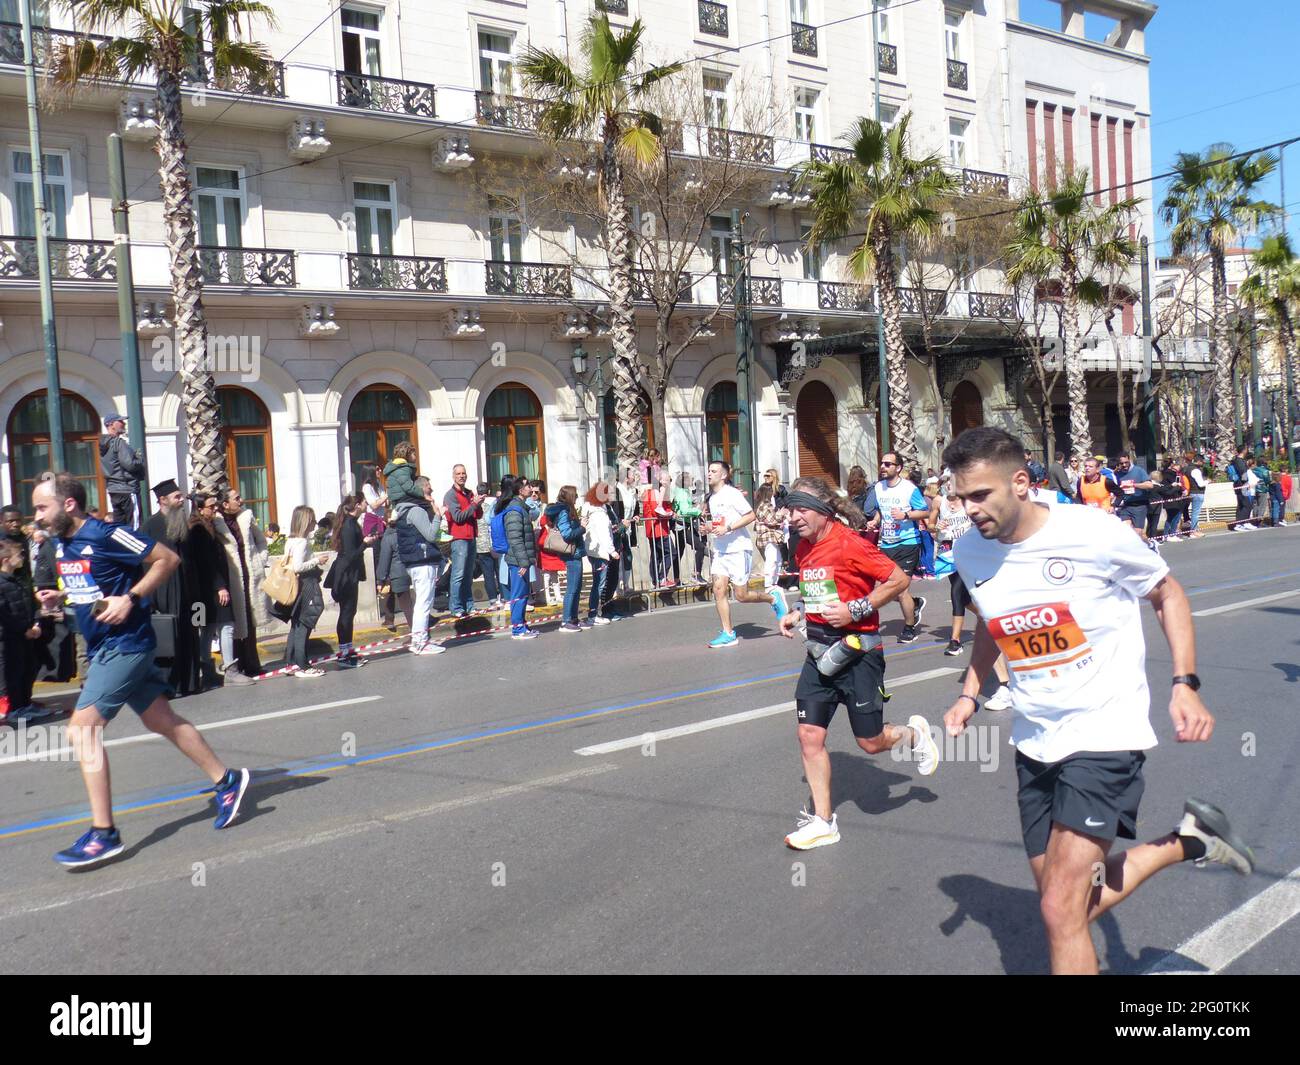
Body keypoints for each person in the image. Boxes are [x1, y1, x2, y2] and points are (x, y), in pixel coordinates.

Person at [940, 426, 1255, 975]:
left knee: (1060, 909)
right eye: (960, 497)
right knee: (1067, 905)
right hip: (1035, 739)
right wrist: (971, 691)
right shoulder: (970, 550)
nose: (968, 509)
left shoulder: (1093, 532)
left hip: (1105, 732)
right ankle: (1190, 841)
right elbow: (993, 621)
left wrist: (1185, 683)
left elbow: (1166, 592)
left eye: (979, 495)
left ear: (1020, 481)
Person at [32, 473, 252, 868]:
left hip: (126, 646)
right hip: (103, 647)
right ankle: (228, 780)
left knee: (82, 728)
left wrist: (131, 598)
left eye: (41, 507)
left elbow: (167, 559)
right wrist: (59, 598)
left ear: (68, 504)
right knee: (162, 720)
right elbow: (93, 588)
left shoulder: (105, 534)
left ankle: (104, 834)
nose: (37, 517)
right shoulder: (63, 544)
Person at [777, 476, 939, 850]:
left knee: (870, 742)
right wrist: (799, 614)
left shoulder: (848, 543)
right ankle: (823, 822)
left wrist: (857, 608)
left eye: (801, 510)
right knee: (809, 735)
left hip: (858, 653)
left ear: (822, 511)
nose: (794, 517)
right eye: (791, 510)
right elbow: (817, 592)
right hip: (818, 654)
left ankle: (914, 735)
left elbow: (898, 579)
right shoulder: (803, 548)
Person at [704, 460, 785, 648]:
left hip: (738, 549)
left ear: (723, 475)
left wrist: (729, 528)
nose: (709, 474)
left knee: (741, 595)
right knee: (719, 589)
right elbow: (720, 523)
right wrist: (709, 527)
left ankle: (773, 598)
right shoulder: (712, 498)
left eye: (713, 471)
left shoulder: (732, 494)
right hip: (721, 550)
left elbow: (750, 515)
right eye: (708, 471)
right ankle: (728, 633)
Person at [140, 480, 204, 696]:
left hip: (188, 592)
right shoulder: (150, 526)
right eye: (177, 497)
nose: (181, 500)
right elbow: (143, 564)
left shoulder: (182, 523)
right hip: (163, 592)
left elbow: (191, 559)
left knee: (190, 634)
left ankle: (191, 682)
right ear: (163, 500)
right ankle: (168, 686)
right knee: (168, 639)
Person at [187, 494, 254, 687]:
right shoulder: (199, 530)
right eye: (211, 507)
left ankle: (206, 671)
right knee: (226, 625)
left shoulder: (200, 526)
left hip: (200, 591)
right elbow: (208, 562)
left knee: (206, 629)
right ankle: (230, 670)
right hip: (211, 590)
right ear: (200, 509)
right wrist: (221, 587)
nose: (215, 510)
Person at [865, 452, 928, 643]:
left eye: (888, 464)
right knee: (882, 588)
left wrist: (906, 516)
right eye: (882, 463)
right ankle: (914, 603)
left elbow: (924, 511)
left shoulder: (909, 489)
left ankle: (909, 628)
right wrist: (875, 521)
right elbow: (881, 512)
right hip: (887, 543)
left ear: (898, 468)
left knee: (900, 590)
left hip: (908, 543)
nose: (883, 467)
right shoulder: (878, 487)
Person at [214, 488, 268, 678]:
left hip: (250, 575)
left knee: (250, 621)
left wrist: (260, 560)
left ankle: (253, 664)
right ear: (225, 504)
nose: (241, 500)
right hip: (231, 579)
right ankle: (237, 664)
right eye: (236, 498)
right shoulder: (216, 522)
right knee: (235, 623)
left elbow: (261, 541)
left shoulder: (246, 517)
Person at [393, 477, 446, 656]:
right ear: (420, 490)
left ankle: (418, 640)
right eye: (429, 490)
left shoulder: (404, 509)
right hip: (422, 561)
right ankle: (421, 642)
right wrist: (439, 515)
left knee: (421, 603)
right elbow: (431, 535)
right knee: (424, 603)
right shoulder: (417, 511)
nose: (431, 494)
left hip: (414, 561)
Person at [281, 506, 329, 679]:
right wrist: (317, 560)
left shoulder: (291, 541)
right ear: (306, 521)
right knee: (304, 623)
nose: (315, 524)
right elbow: (298, 567)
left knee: (296, 624)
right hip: (306, 584)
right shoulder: (301, 542)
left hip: (296, 586)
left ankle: (291, 662)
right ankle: (302, 664)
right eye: (313, 520)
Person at [0, 539, 43, 720]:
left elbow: (31, 605)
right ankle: (13, 708)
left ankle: (25, 704)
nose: (24, 558)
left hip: (25, 634)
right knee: (12, 673)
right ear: (6, 560)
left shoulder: (18, 580)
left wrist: (36, 623)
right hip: (9, 637)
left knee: (28, 669)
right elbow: (4, 614)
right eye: (20, 555)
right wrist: (22, 629)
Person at [325, 494, 368, 669]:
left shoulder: (350, 522)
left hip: (349, 573)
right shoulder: (349, 525)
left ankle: (348, 649)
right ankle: (344, 652)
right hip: (346, 574)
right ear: (357, 505)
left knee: (349, 612)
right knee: (346, 613)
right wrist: (365, 543)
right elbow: (350, 554)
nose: (366, 504)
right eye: (364, 502)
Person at [930, 484, 974, 657]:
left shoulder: (968, 501)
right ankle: (987, 616)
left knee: (956, 592)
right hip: (947, 553)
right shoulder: (938, 501)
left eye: (953, 480)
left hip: (967, 551)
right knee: (963, 597)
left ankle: (955, 640)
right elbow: (931, 526)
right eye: (947, 481)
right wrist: (936, 527)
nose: (949, 484)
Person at [498, 475, 539, 639]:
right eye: (527, 485)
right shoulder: (515, 510)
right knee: (519, 595)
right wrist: (523, 562)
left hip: (522, 560)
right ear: (519, 490)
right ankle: (517, 629)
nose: (531, 487)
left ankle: (521, 624)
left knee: (522, 594)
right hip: (517, 561)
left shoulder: (521, 507)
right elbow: (515, 540)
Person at [542, 486, 587, 633]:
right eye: (575, 494)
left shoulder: (566, 510)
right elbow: (567, 534)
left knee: (577, 587)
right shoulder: (563, 512)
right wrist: (582, 528)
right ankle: (566, 621)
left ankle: (573, 618)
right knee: (572, 588)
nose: (577, 497)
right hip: (571, 554)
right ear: (569, 496)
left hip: (576, 553)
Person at [444, 464, 485, 618]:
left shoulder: (469, 493)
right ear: (453, 476)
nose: (462, 476)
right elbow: (458, 517)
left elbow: (478, 515)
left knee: (469, 574)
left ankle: (469, 605)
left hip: (471, 536)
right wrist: (474, 504)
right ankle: (456, 607)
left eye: (463, 473)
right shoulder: (450, 495)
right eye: (458, 473)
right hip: (459, 538)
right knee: (458, 574)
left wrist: (478, 504)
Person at [580, 484, 617, 626]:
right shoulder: (599, 513)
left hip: (592, 549)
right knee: (599, 585)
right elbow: (604, 535)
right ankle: (593, 615)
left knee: (597, 584)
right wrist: (612, 551)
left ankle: (594, 613)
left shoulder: (589, 508)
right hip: (600, 551)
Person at [98, 413, 145, 525]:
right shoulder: (119, 443)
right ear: (111, 425)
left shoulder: (103, 445)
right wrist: (140, 460)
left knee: (120, 527)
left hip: (113, 490)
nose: (124, 423)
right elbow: (130, 464)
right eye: (120, 421)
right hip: (127, 489)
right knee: (135, 526)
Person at [376, 506, 414, 632]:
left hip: (395, 574)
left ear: (385, 522)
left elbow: (384, 560)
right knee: (407, 603)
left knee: (406, 606)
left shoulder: (388, 537)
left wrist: (380, 578)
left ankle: (416, 631)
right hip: (406, 571)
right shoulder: (405, 534)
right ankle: (389, 620)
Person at [640, 468, 679, 589]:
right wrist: (669, 514)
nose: (669, 482)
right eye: (668, 480)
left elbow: (667, 506)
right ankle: (660, 578)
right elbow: (655, 510)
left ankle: (657, 579)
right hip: (656, 528)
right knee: (670, 553)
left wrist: (671, 512)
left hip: (661, 528)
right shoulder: (651, 492)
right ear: (661, 480)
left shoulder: (662, 492)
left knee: (657, 555)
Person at [1112, 452, 1157, 548]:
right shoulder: (1117, 474)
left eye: (1126, 462)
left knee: (1138, 534)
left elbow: (1150, 485)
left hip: (1140, 506)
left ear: (1130, 460)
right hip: (1126, 506)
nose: (1124, 465)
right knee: (1126, 530)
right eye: (1122, 463)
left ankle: (1151, 545)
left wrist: (1134, 485)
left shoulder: (1139, 471)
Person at [754, 483, 788, 595]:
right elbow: (772, 520)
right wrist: (781, 514)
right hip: (768, 536)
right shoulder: (765, 505)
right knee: (772, 560)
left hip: (769, 536)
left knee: (777, 560)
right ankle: (769, 583)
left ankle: (774, 583)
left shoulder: (762, 505)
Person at [475, 481, 503, 608]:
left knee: (488, 574)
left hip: (481, 544)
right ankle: (503, 597)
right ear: (489, 491)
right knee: (499, 571)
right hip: (496, 542)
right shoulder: (495, 503)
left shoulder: (475, 505)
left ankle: (492, 600)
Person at [383, 441, 424, 509]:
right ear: (407, 455)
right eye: (414, 454)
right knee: (426, 505)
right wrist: (422, 493)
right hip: (402, 499)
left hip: (398, 499)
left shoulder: (398, 467)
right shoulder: (402, 468)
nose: (416, 457)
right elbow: (409, 488)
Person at [1226, 446, 1254, 530]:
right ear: (1244, 450)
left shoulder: (1235, 460)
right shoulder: (1240, 461)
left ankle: (1244, 522)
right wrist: (1246, 482)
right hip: (1241, 485)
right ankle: (1240, 523)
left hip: (1238, 484)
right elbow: (1243, 472)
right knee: (1247, 505)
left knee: (1241, 505)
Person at [1185, 453, 1208, 537]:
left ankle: (1194, 530)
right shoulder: (1196, 470)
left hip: (1190, 492)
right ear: (1198, 461)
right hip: (1197, 493)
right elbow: (1201, 484)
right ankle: (1193, 531)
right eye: (1202, 461)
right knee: (1195, 513)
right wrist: (1207, 481)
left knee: (1194, 512)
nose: (1203, 463)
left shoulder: (1187, 469)